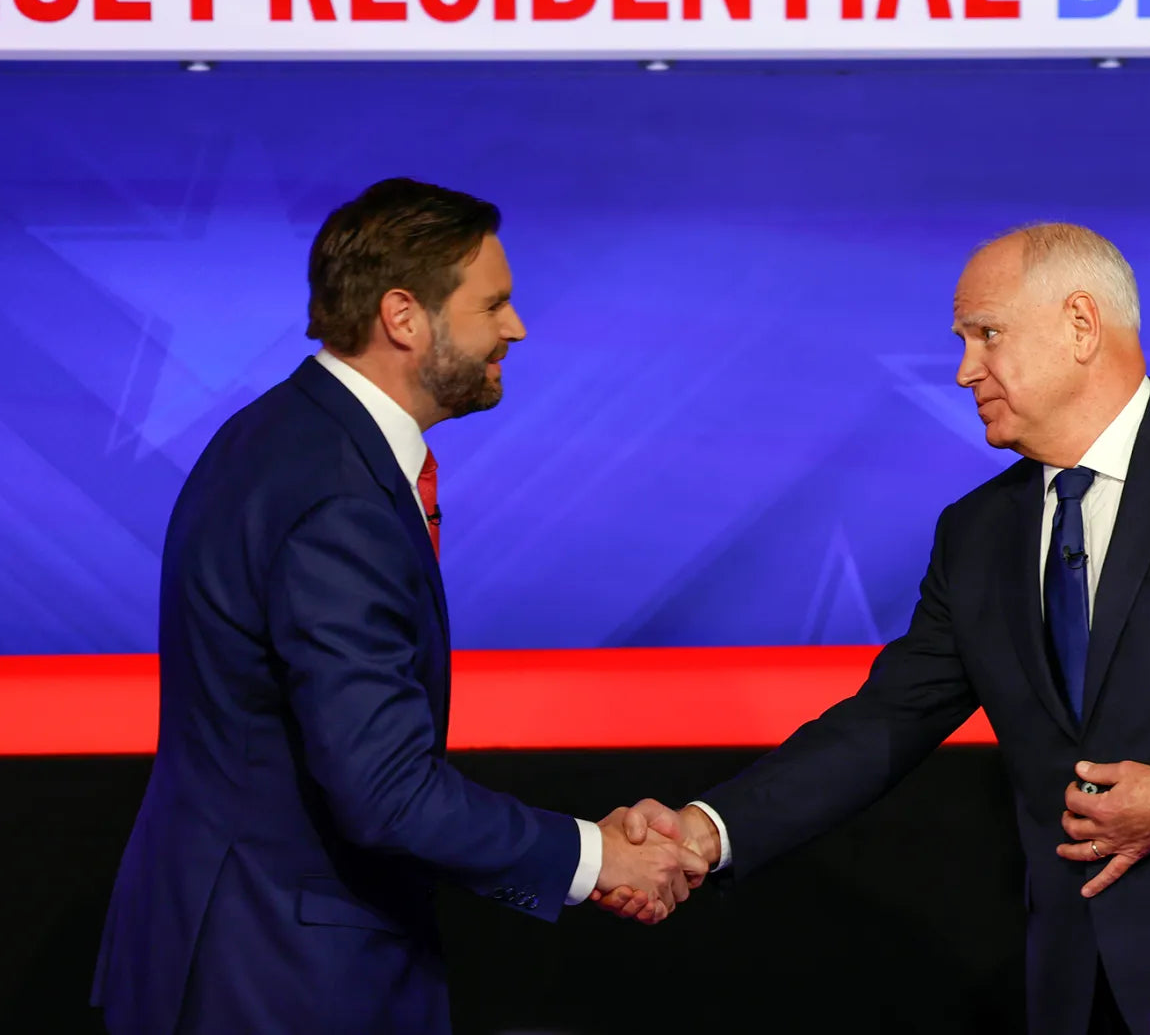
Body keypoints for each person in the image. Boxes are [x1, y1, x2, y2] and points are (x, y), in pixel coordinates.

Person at [602, 224, 1150, 1034]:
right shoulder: (977, 531)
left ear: (1080, 325)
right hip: (1072, 981)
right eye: (962, 341)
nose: (963, 370)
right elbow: (887, 722)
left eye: (985, 334)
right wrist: (707, 833)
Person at [91, 178, 705, 1035]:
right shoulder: (334, 490)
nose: (514, 328)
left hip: (249, 948)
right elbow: (383, 791)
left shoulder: (282, 435)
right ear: (404, 316)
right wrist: (596, 857)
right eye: (494, 303)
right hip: (276, 974)